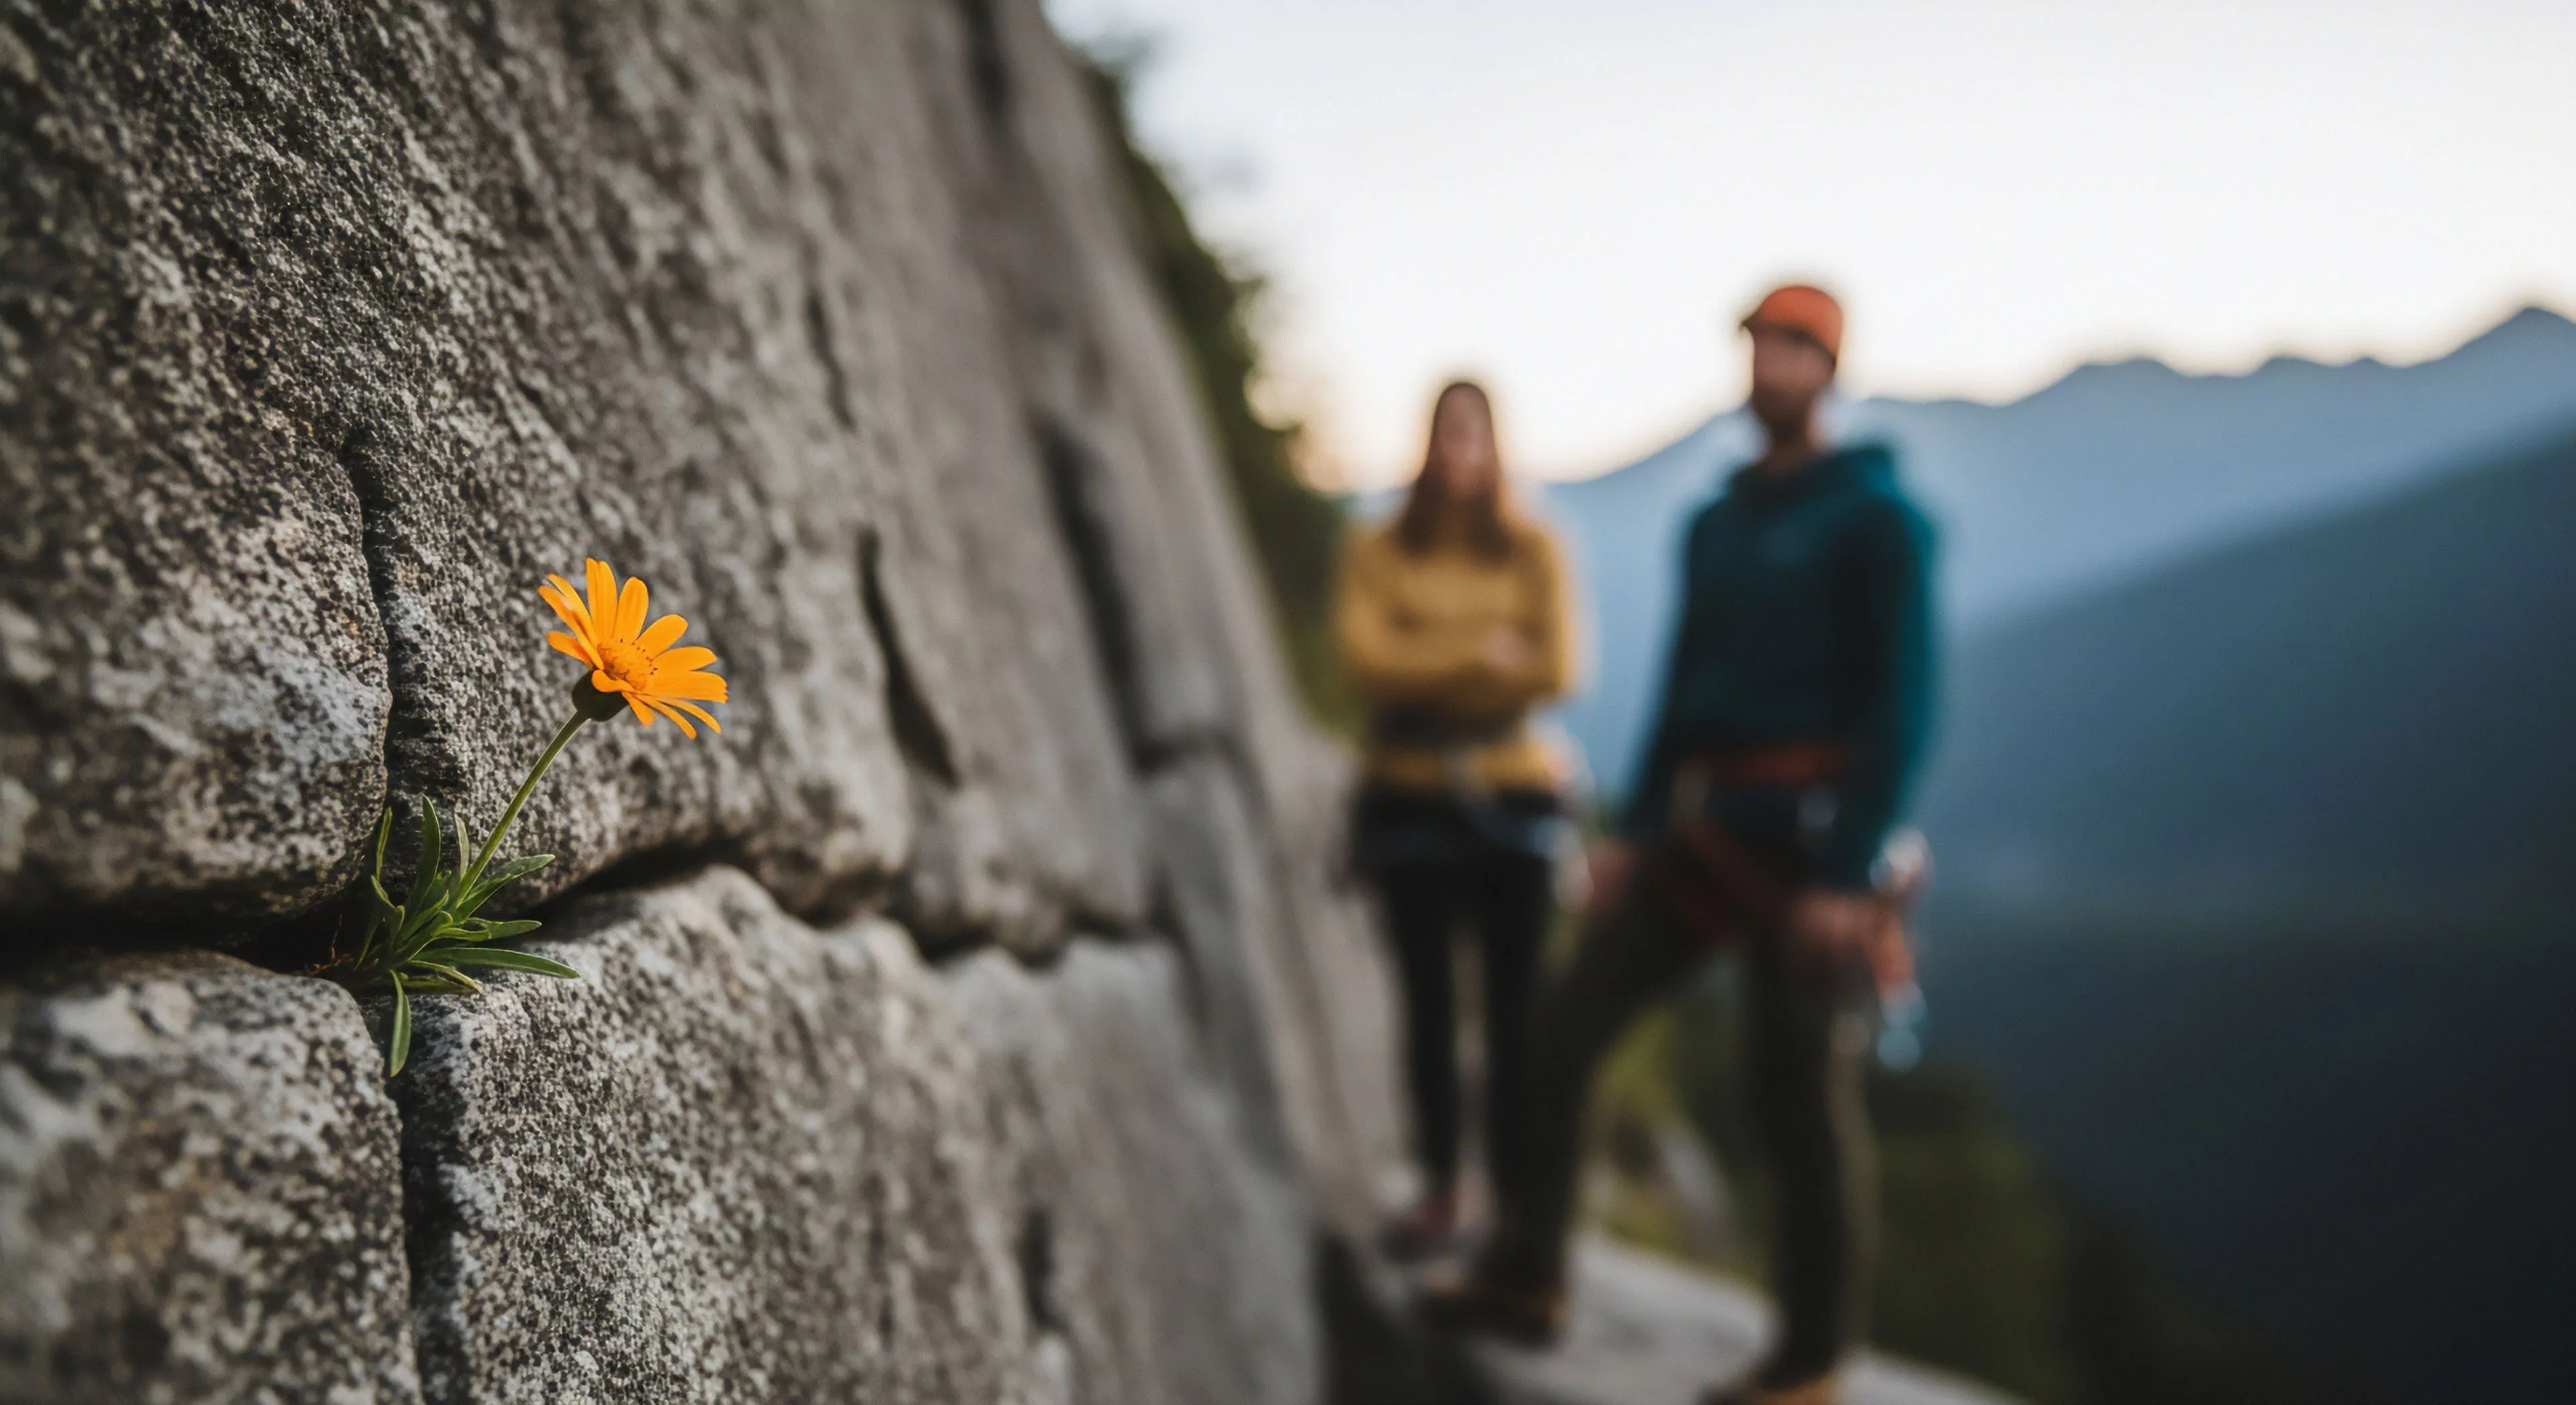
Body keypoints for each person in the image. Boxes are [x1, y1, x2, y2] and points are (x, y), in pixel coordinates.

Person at [1423, 286, 1937, 1405]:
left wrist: (1849, 873)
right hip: (1707, 832)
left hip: (1811, 845)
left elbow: (1901, 705)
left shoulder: (1878, 519)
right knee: (1560, 1031)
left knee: (1795, 1096)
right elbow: (1681, 691)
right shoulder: (1716, 524)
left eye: (1792, 348)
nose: (1769, 366)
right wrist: (1636, 834)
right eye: (1758, 345)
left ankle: (1808, 1364)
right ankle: (1527, 1273)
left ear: (1827, 367)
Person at [1336, 379, 1580, 1259]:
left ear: (1493, 445)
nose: (1457, 452)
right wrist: (1483, 654)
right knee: (1429, 1009)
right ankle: (1445, 1186)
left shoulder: (1534, 548)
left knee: (1517, 1016)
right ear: (1426, 443)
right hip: (1410, 797)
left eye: (1471, 436)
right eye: (1445, 435)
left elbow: (1556, 668)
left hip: (1512, 796)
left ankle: (1512, 1200)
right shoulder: (1378, 548)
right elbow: (1364, 664)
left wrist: (1422, 661)